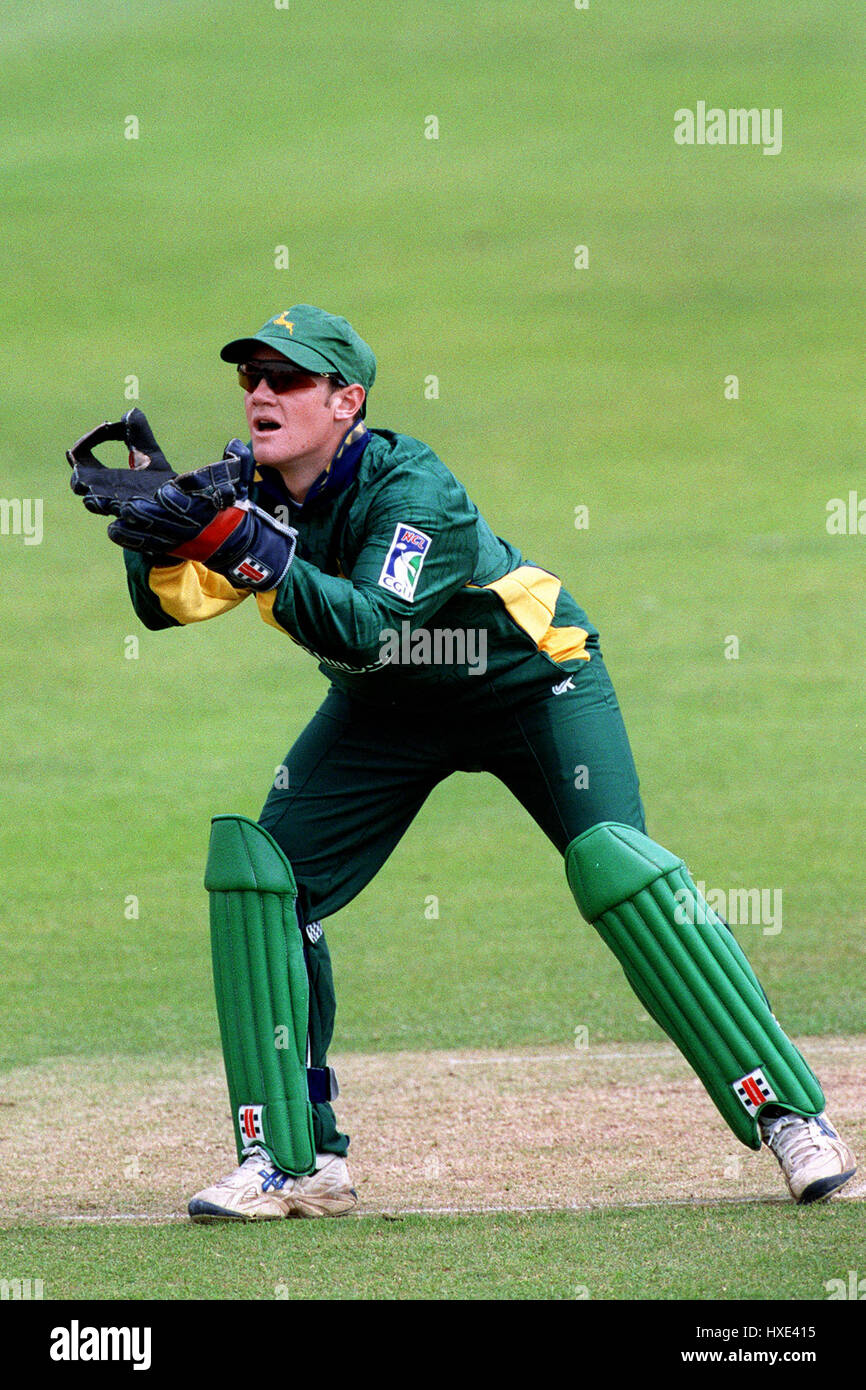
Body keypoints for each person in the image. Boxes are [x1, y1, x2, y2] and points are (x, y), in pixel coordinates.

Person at [68, 304, 856, 1220]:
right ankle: (295, 1160)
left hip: (526, 682)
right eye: (251, 378)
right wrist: (163, 539)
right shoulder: (246, 489)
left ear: (346, 400)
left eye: (286, 378)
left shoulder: (414, 488)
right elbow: (168, 608)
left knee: (621, 870)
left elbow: (368, 628)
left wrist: (238, 542)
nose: (260, 394)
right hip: (391, 708)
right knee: (263, 885)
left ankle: (794, 1119)